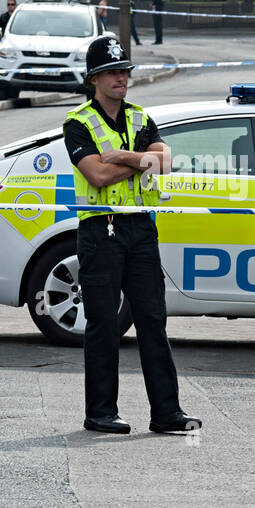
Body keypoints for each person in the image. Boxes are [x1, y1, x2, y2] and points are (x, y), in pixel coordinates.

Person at [63, 35, 201, 436]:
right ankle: (101, 412)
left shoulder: (141, 118)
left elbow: (165, 163)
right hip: (100, 228)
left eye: (124, 70)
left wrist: (124, 157)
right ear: (94, 79)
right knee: (104, 322)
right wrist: (143, 161)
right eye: (112, 72)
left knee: (152, 319)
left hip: (140, 226)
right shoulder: (78, 123)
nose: (121, 77)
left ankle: (166, 413)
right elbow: (96, 175)